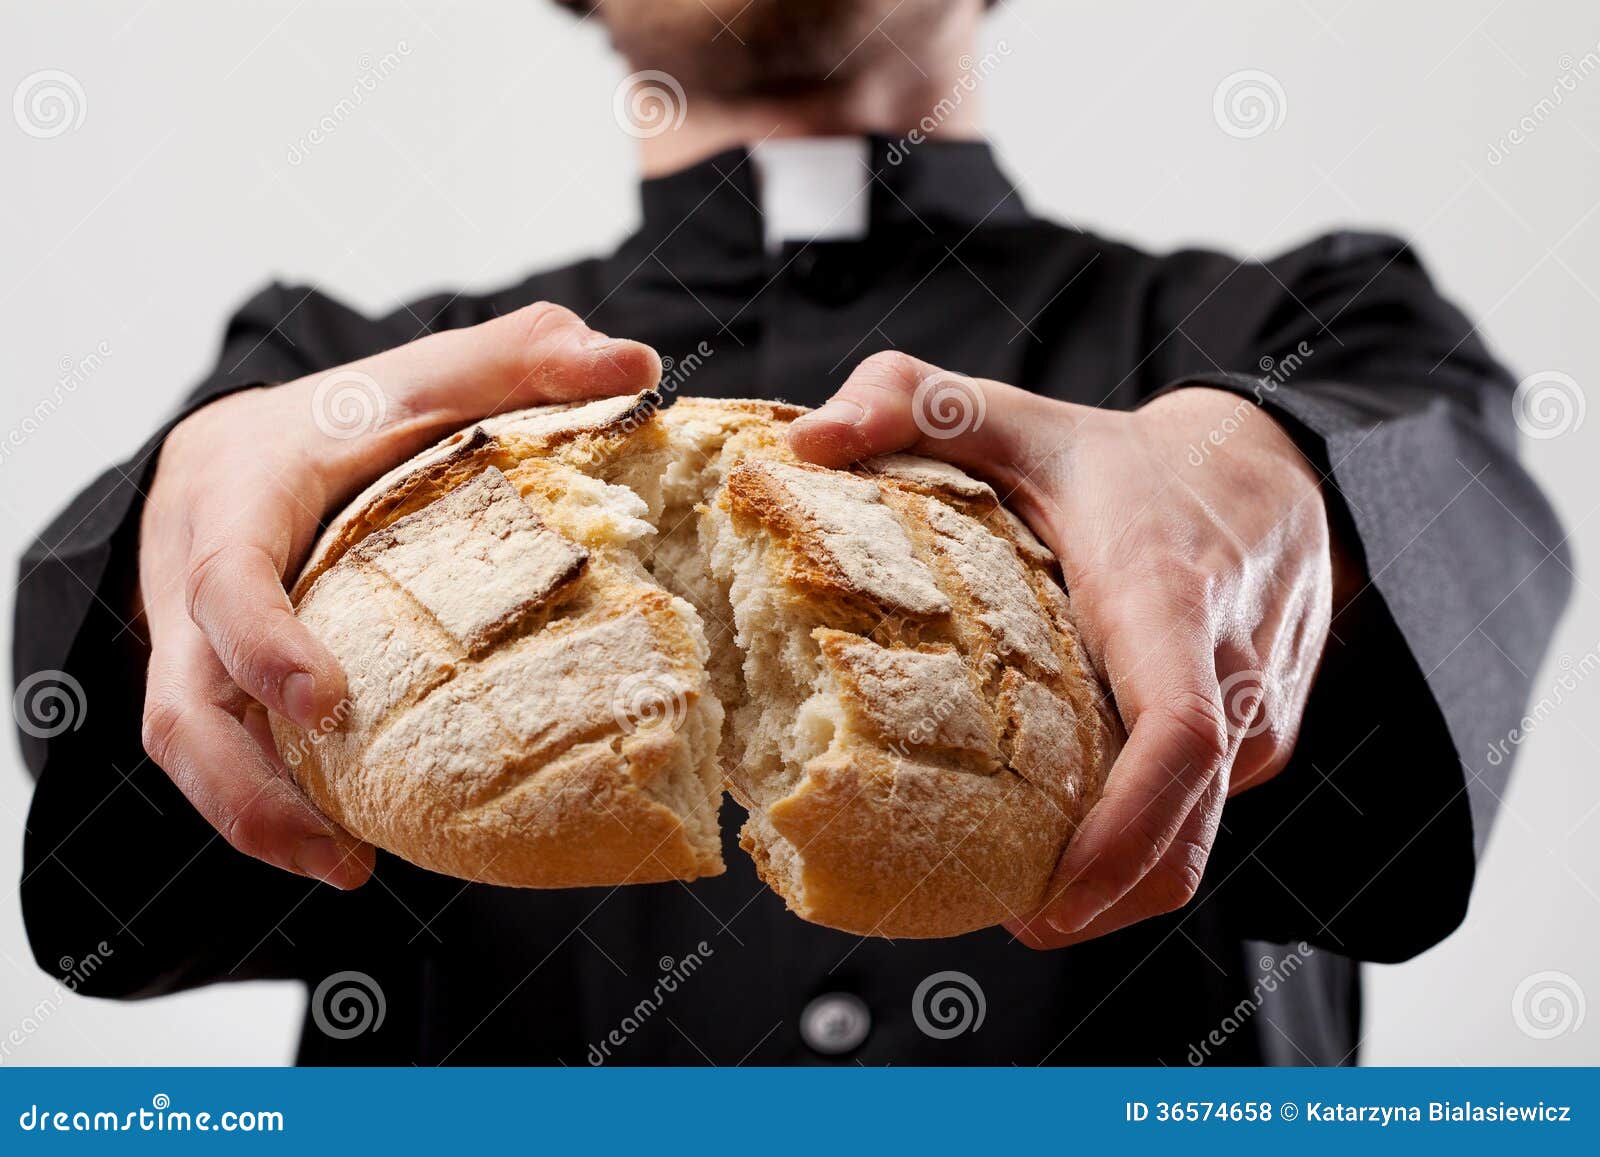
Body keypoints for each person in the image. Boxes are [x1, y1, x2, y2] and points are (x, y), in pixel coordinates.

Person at [13, 0, 1568, 1065]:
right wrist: (178, 532)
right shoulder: (350, 394)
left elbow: (1439, 501)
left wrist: (1280, 495)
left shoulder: (1288, 333)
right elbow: (122, 819)